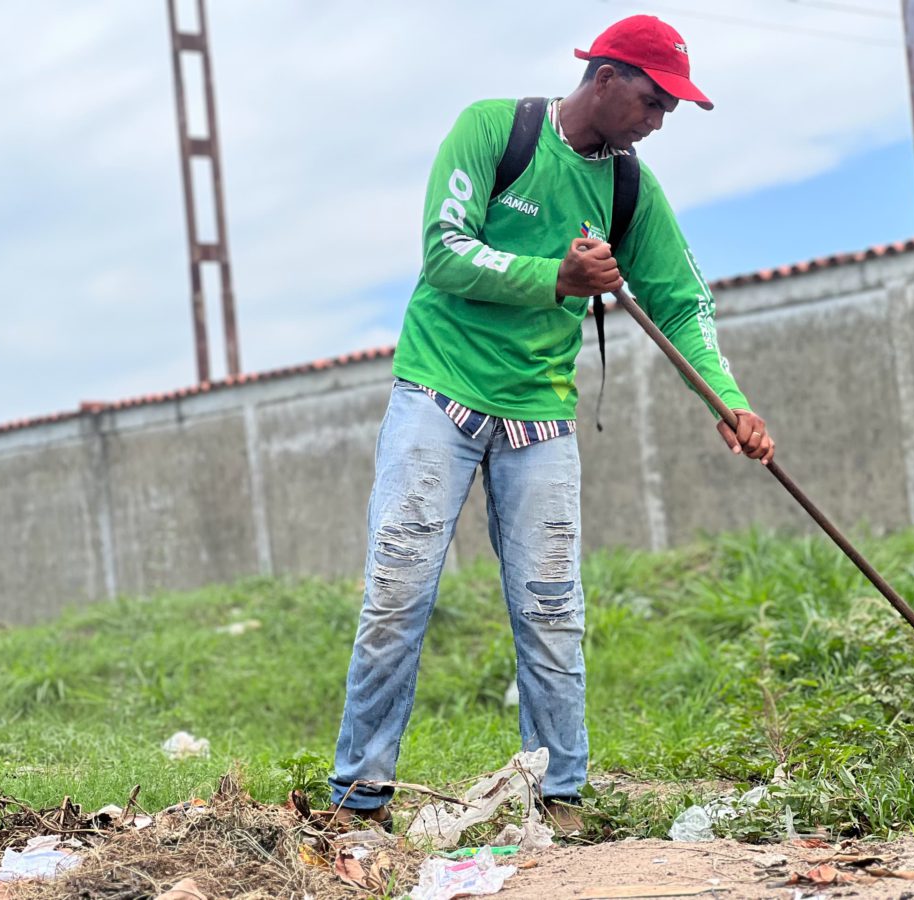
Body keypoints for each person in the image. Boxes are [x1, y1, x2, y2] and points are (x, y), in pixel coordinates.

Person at [327, 14, 776, 835]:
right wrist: (557, 276)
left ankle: (557, 797)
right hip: (439, 391)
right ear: (604, 78)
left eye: (672, 108)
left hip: (539, 414)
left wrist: (728, 398)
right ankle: (358, 801)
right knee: (397, 593)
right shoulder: (495, 130)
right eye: (651, 99)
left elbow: (680, 298)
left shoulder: (629, 187)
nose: (658, 120)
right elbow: (444, 250)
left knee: (551, 607)